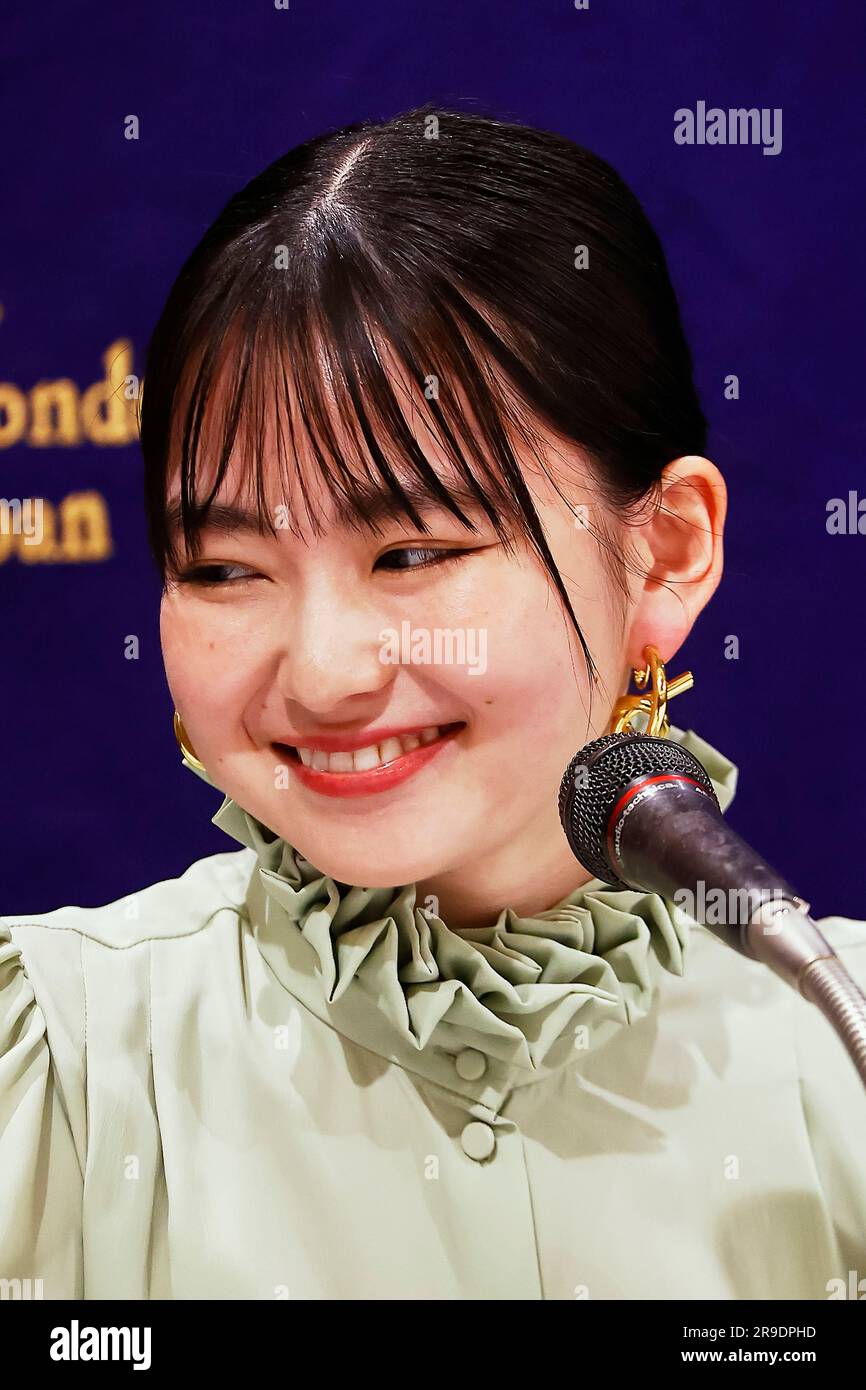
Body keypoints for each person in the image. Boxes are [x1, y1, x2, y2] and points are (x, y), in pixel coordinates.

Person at [2, 103, 865, 1302]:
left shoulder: (841, 1046)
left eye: (410, 552)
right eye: (222, 569)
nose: (321, 671)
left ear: (664, 550)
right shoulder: (57, 1068)